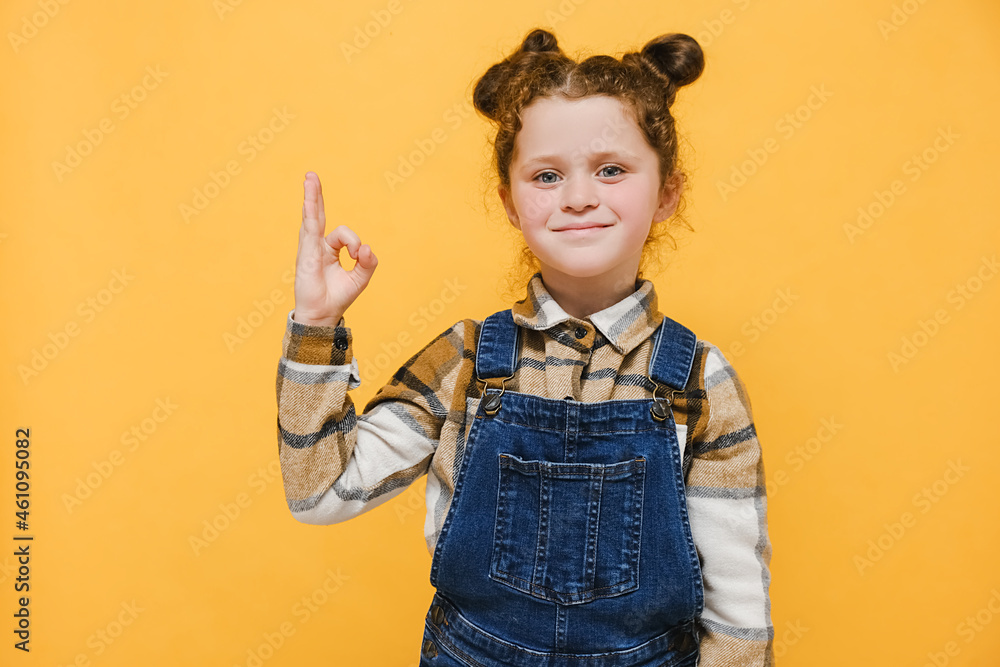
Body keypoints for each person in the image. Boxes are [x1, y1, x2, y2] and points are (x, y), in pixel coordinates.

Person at [276, 27, 773, 667]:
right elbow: (321, 493)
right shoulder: (464, 360)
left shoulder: (703, 380)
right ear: (511, 203)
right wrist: (316, 325)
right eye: (546, 175)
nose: (578, 196)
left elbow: (738, 609)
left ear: (667, 193)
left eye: (612, 170)